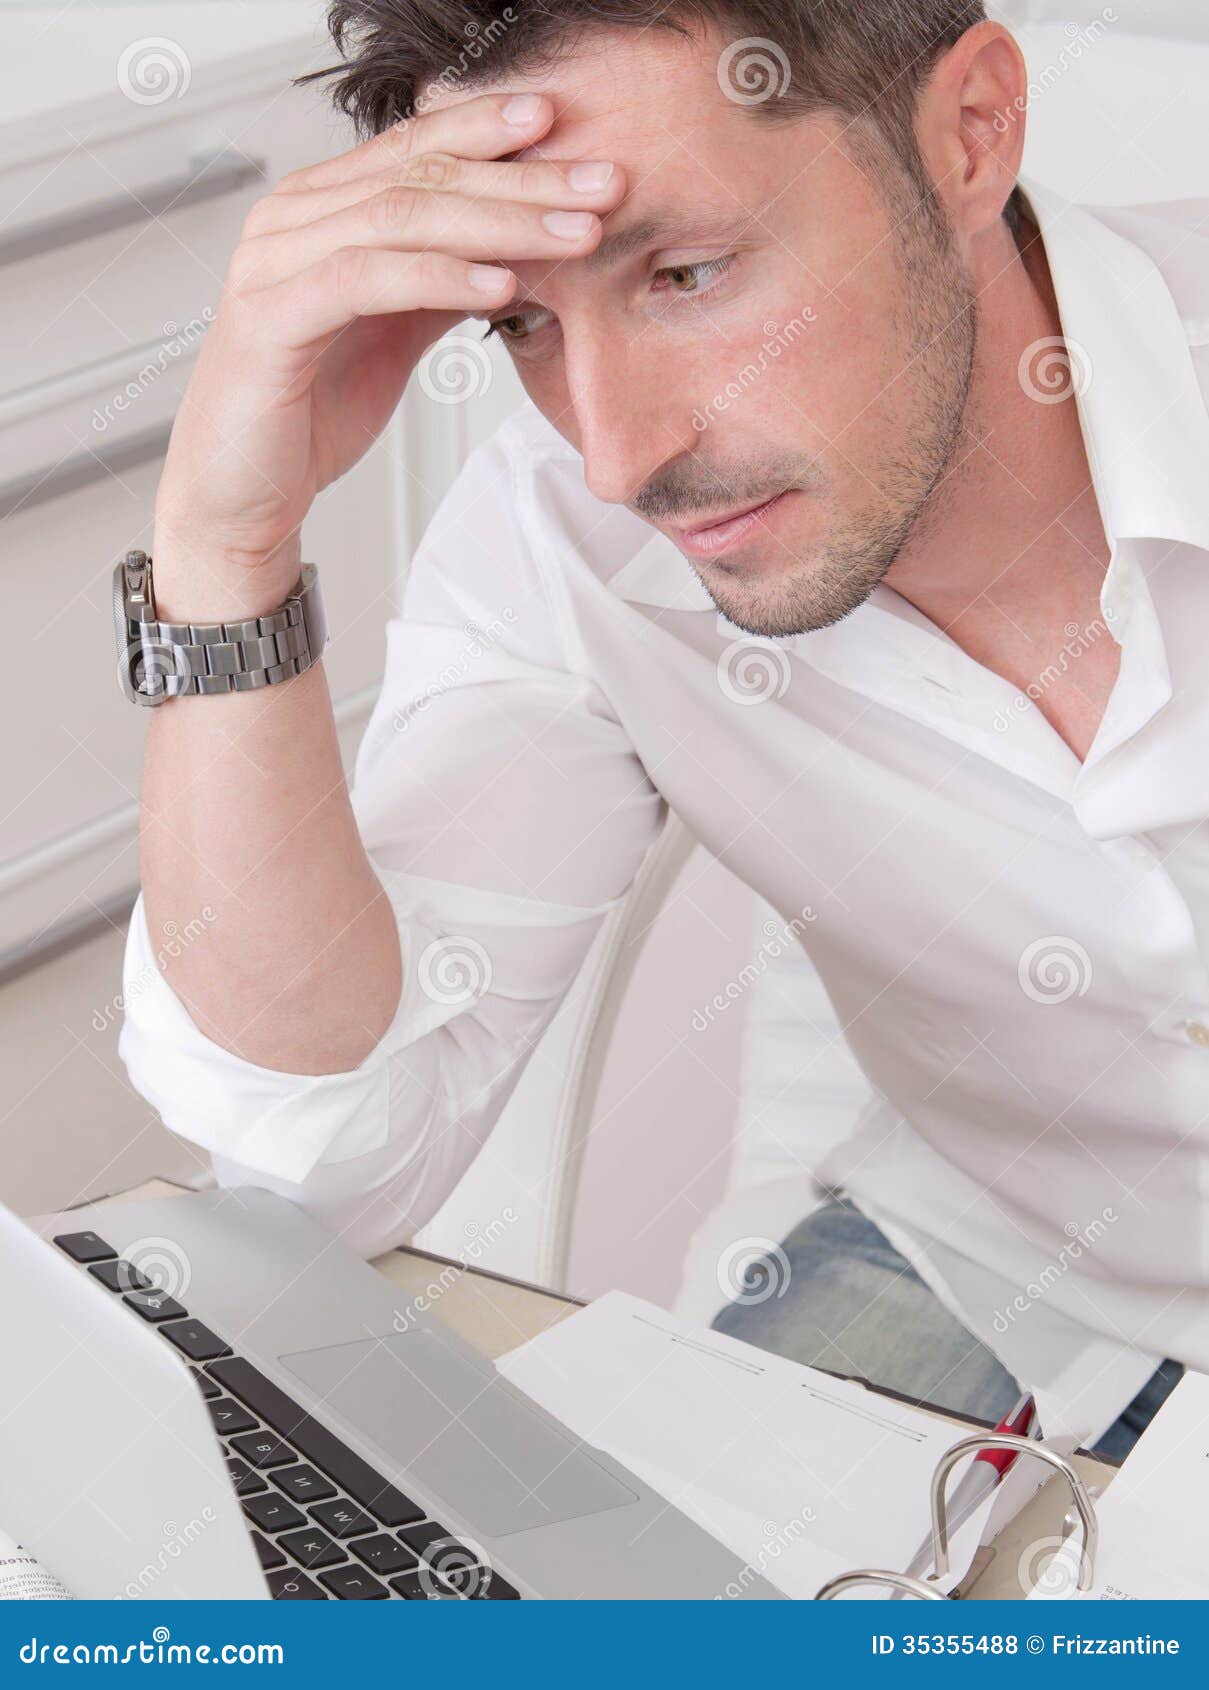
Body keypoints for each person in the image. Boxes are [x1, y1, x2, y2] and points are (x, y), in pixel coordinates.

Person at [119, 1, 1209, 1459]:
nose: (619, 451)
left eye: (686, 273)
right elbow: (316, 1162)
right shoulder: (560, 544)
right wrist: (221, 548)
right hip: (992, 1264)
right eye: (523, 322)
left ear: (967, 132)